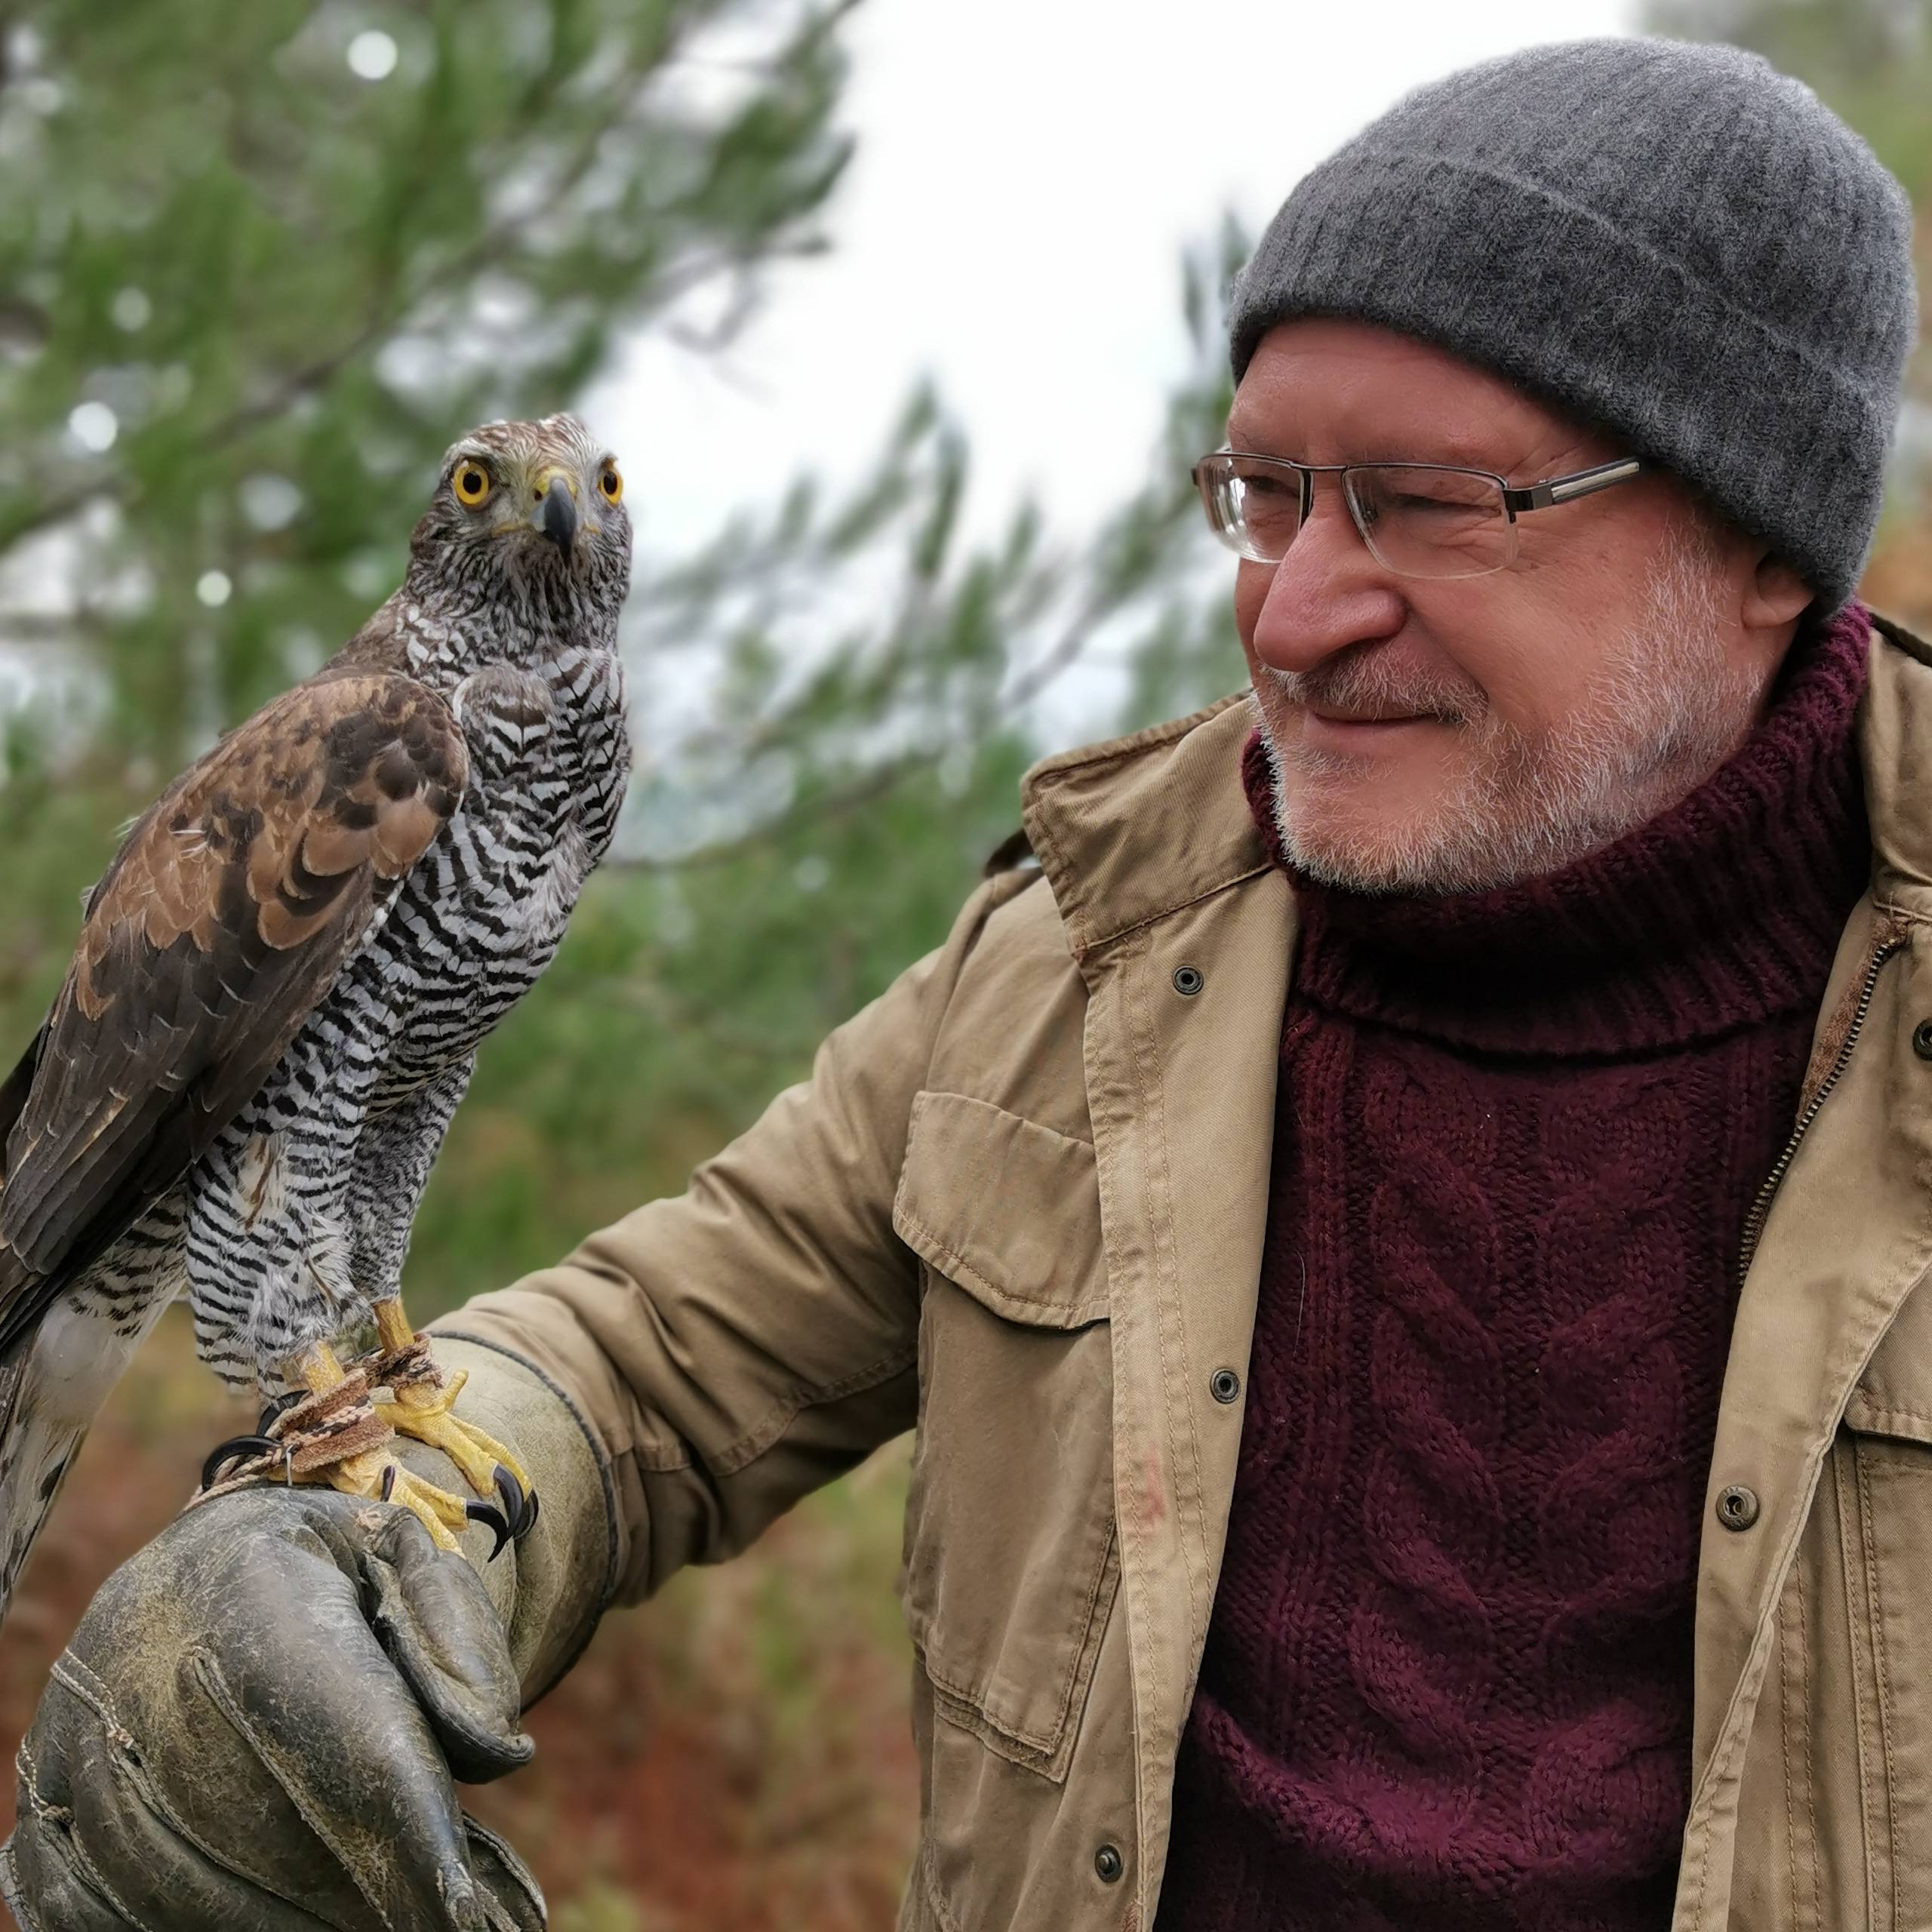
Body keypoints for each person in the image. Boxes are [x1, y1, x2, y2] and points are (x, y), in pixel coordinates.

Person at [3, 34, 1921, 1932]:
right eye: (1262, 495)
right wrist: (346, 1535)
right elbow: (662, 1360)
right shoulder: (1087, 950)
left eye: (1426, 503)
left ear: (1754, 546)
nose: (1295, 606)